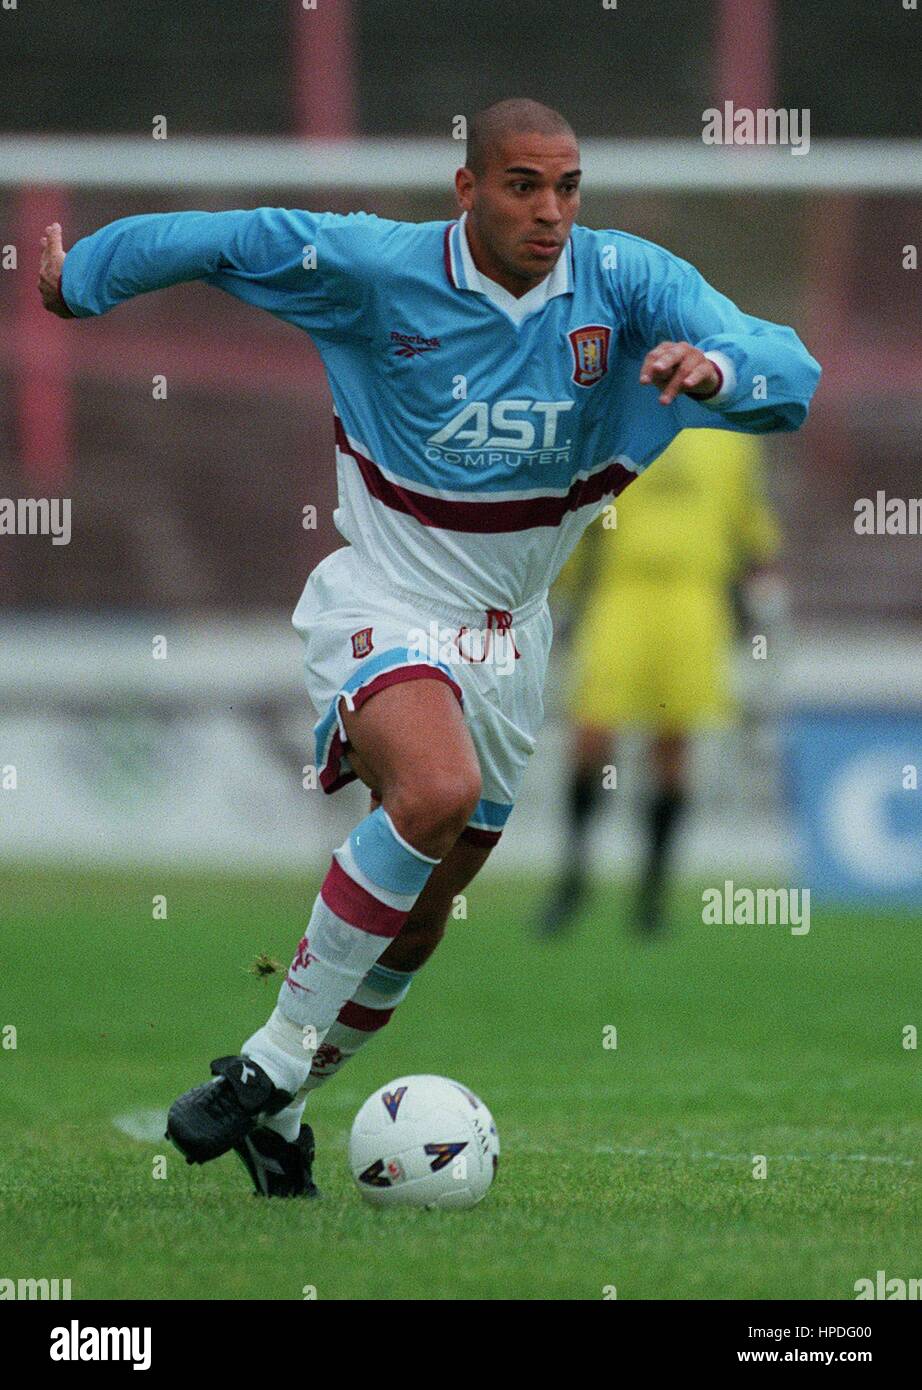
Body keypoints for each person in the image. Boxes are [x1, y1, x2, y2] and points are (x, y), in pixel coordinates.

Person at [39, 98, 821, 1197]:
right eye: (521, 186)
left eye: (566, 186)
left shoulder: (626, 280)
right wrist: (82, 281)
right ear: (467, 188)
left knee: (420, 921)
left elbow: (787, 368)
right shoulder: (376, 269)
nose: (550, 211)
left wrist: (718, 374)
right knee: (435, 789)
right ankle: (265, 1063)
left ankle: (287, 1103)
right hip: (386, 596)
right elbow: (228, 239)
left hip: (512, 638)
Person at [539, 428, 782, 937]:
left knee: (672, 746)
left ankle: (651, 899)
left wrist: (760, 586)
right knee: (592, 734)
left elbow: (749, 522)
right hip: (621, 592)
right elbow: (588, 512)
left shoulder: (732, 438)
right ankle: (572, 881)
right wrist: (559, 589)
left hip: (696, 598)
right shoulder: (628, 422)